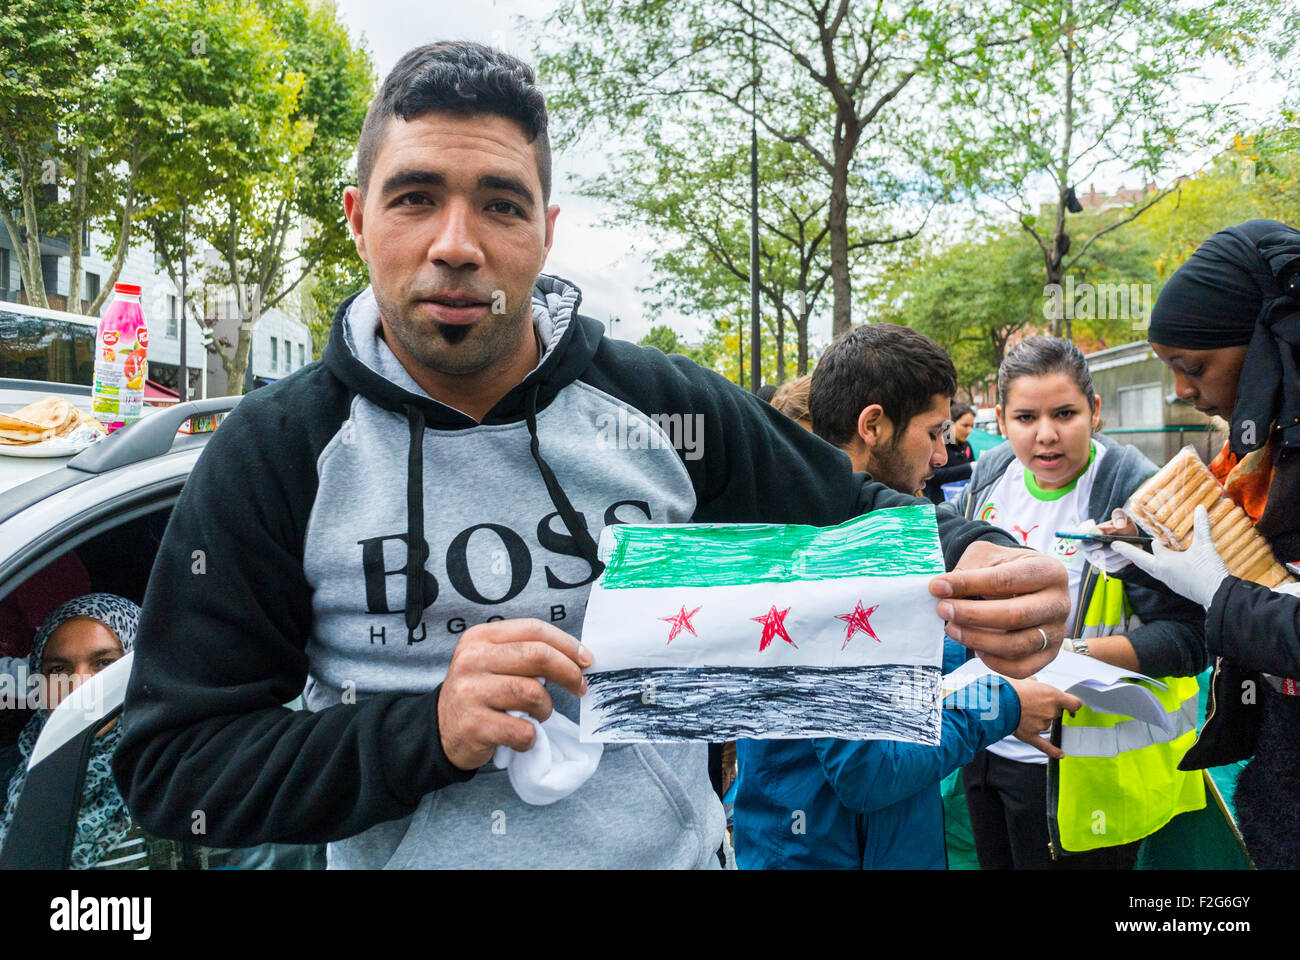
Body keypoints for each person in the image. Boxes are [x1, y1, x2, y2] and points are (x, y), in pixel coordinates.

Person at [112, 42, 1069, 869]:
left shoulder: (660, 405)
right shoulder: (274, 453)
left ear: (546, 232)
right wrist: (426, 734)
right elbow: (173, 767)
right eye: (415, 199)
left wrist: (979, 553)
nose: (456, 245)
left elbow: (855, 515)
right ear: (359, 220)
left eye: (500, 204)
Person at [730, 325, 1080, 869]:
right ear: (873, 425)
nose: (944, 454)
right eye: (933, 432)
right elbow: (869, 770)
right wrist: (1005, 704)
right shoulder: (826, 563)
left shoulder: (876, 544)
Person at [955, 336, 1209, 869]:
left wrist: (1062, 662)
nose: (1045, 435)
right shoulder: (989, 477)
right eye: (1026, 417)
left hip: (1080, 774)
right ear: (1000, 420)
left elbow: (1190, 638)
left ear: (1095, 412)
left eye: (1065, 413)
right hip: (987, 746)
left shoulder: (1136, 490)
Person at [1098, 218, 1300, 869]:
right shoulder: (1260, 464)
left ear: (1273, 346)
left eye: (1193, 367)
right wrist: (1148, 560)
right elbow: (1245, 601)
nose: (1182, 392)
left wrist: (1218, 590)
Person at [0, 594, 138, 868]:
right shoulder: (8, 770)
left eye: (104, 664)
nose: (80, 687)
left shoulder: (174, 774)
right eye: (59, 669)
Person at [923, 402, 975, 504]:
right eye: (965, 425)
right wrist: (969, 467)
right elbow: (933, 474)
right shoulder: (939, 445)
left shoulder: (966, 446)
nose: (969, 430)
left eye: (972, 426)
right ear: (950, 423)